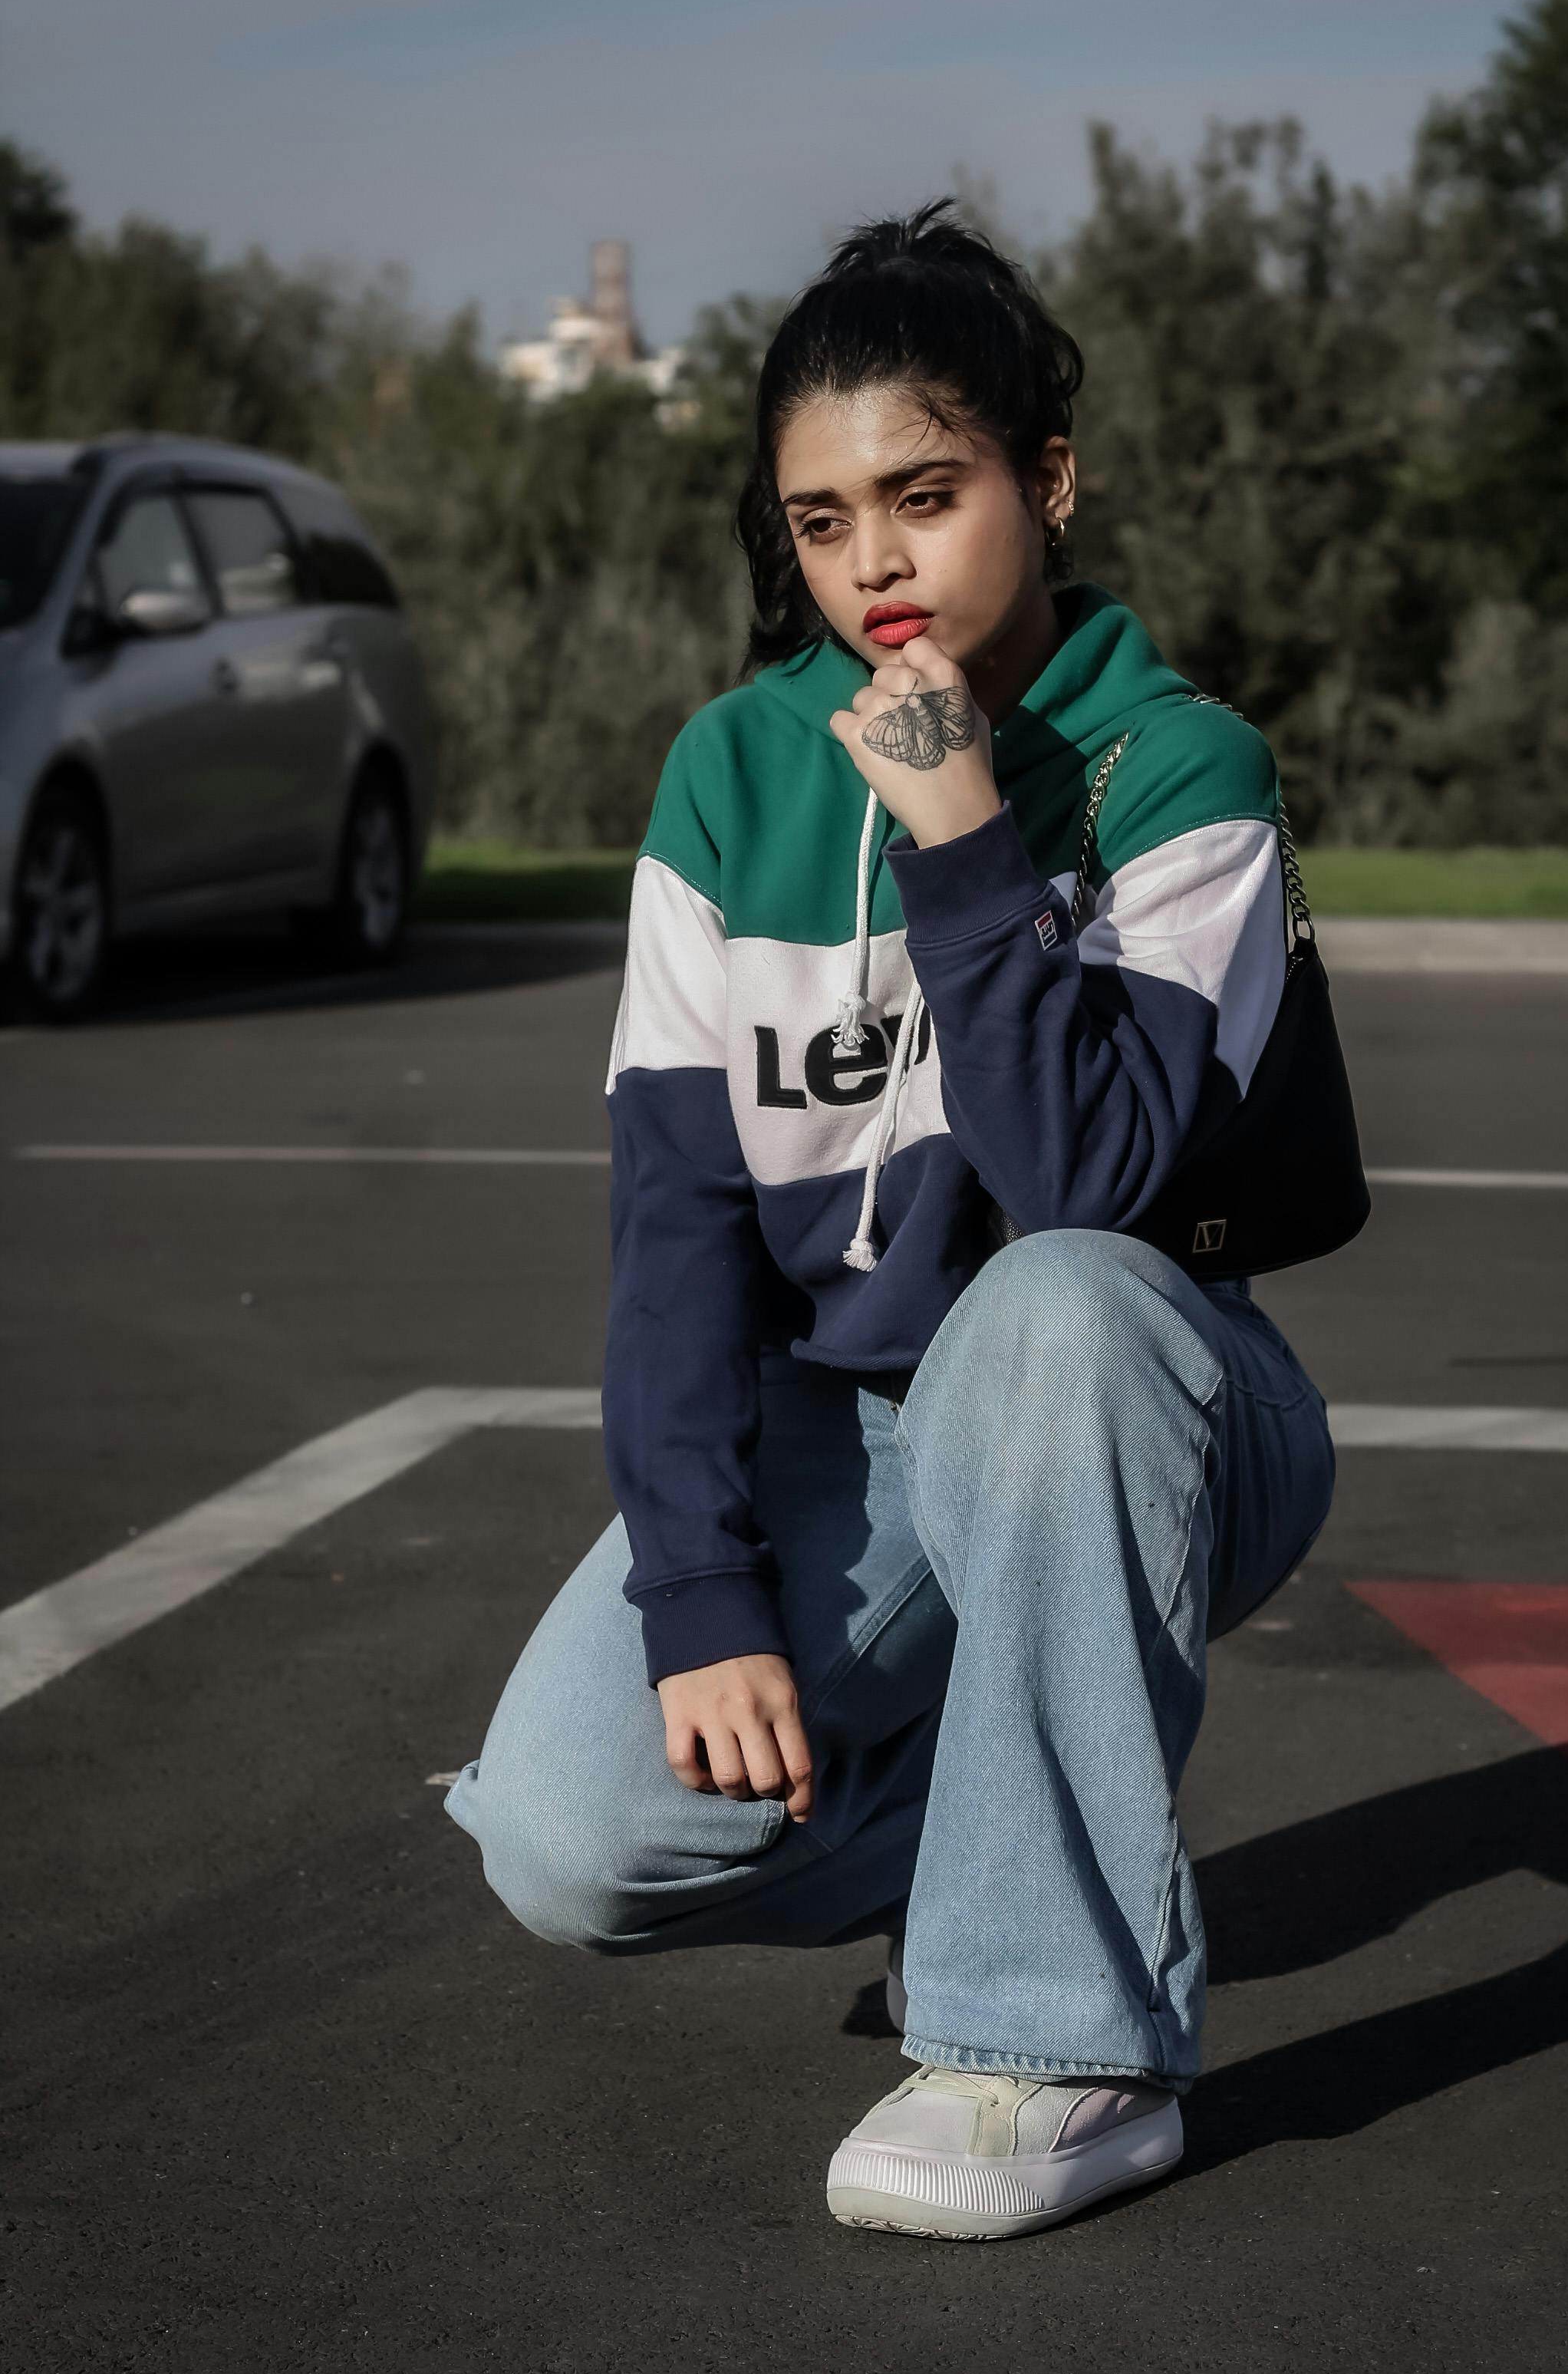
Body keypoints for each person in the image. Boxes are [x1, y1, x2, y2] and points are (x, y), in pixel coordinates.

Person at [446, 203, 1336, 2242]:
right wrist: (704, 1591)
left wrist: (962, 833)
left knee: (1052, 1309)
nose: (874, 566)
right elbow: (673, 1228)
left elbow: (1096, 1184)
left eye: (925, 498)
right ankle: (1022, 1835)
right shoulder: (732, 780)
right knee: (575, 1845)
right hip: (846, 1426)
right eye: (825, 519)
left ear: (1048, 479)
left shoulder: (1178, 768)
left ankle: (1055, 2045)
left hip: (1151, 1388)